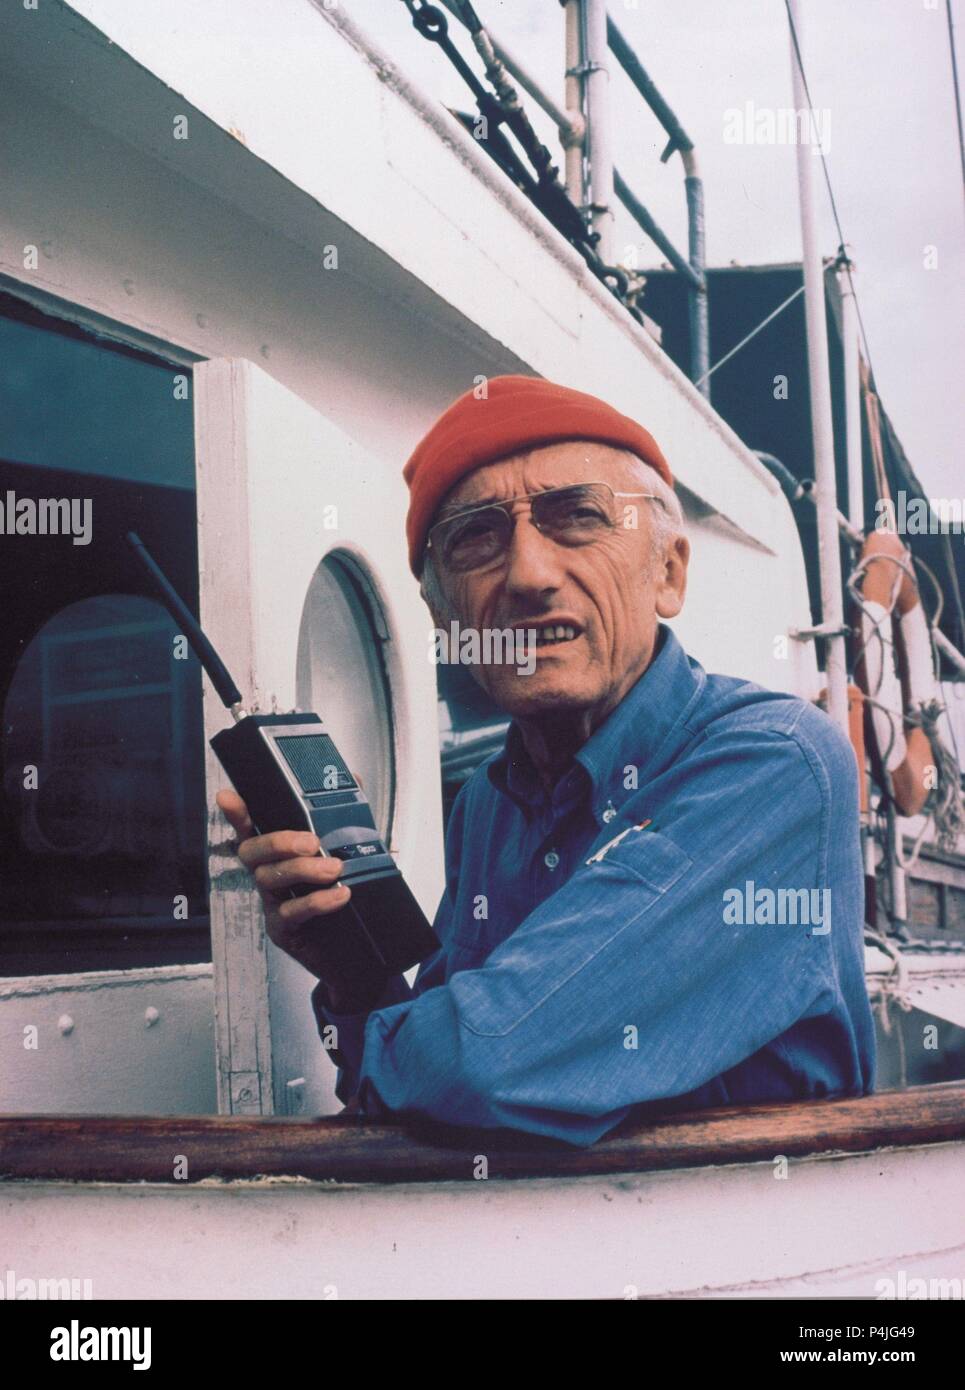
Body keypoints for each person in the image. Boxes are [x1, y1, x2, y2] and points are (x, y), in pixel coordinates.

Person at [218, 374, 875, 1146]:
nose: (528, 574)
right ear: (444, 616)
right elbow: (430, 1081)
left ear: (667, 574)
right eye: (477, 538)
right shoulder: (485, 805)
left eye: (578, 519)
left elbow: (482, 1067)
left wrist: (418, 1042)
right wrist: (347, 959)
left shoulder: (776, 765)